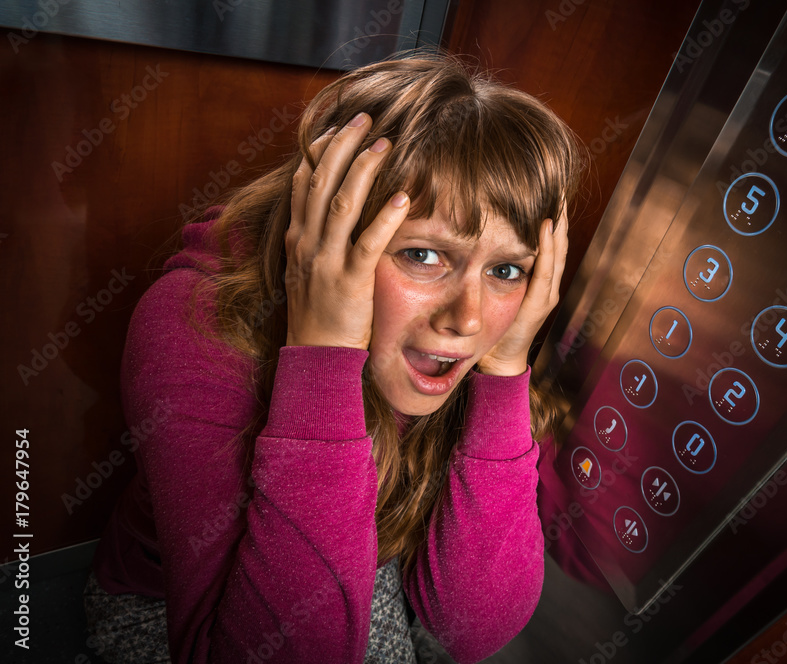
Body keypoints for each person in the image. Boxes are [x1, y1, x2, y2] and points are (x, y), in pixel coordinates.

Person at [84, 52, 583, 664]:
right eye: (423, 256)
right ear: (327, 234)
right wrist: (322, 358)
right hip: (165, 608)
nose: (468, 319)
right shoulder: (194, 322)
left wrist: (506, 371)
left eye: (506, 270)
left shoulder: (478, 342)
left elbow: (468, 630)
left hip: (358, 559)